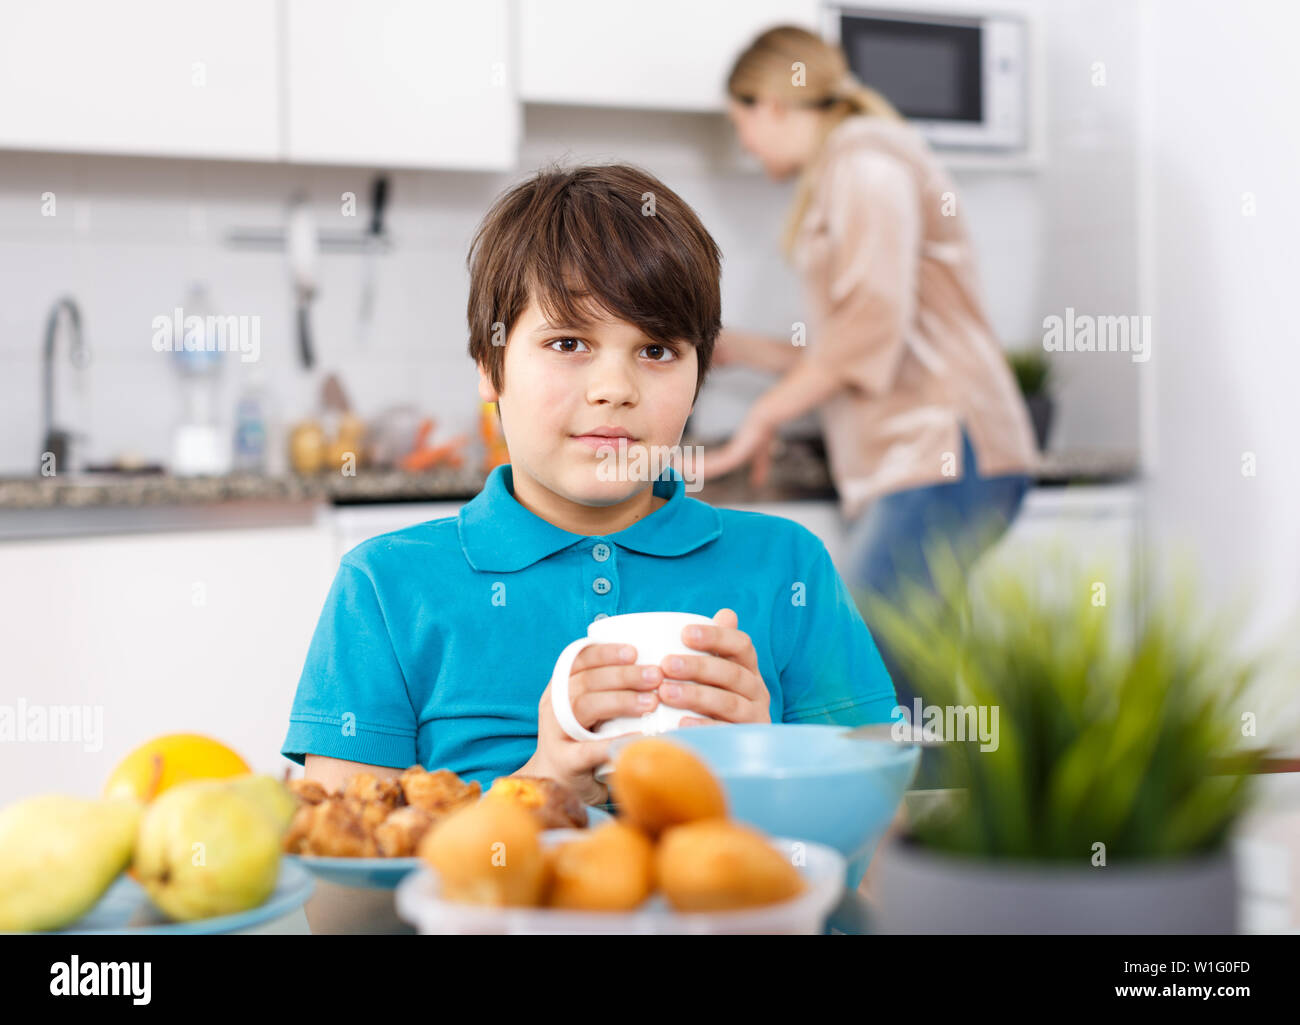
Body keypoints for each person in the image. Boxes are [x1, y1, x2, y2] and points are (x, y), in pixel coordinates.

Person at [281, 162, 898, 808]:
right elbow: (343, 895)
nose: (615, 389)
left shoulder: (788, 566)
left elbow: (879, 846)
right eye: (569, 341)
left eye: (656, 350)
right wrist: (538, 788)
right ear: (489, 368)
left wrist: (765, 762)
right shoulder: (384, 589)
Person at [705, 26, 1038, 706]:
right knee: (913, 651)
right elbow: (859, 343)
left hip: (946, 446)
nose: (746, 143)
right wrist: (738, 348)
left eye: (743, 123)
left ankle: (922, 809)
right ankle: (945, 807)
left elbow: (869, 331)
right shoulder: (848, 170)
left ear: (771, 103)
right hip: (924, 451)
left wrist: (763, 416)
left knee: (882, 647)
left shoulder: (865, 165)